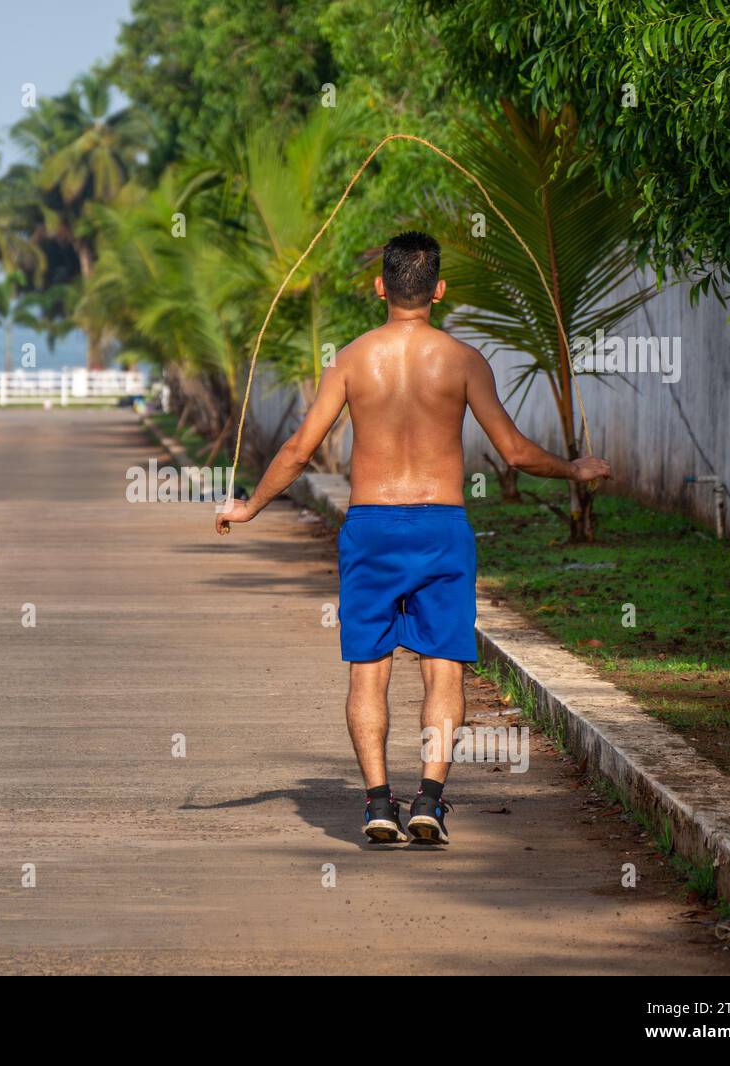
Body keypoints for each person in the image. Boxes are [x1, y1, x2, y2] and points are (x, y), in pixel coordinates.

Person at [215, 231, 611, 845]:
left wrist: (249, 508)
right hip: (441, 528)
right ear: (440, 291)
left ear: (381, 287)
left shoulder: (350, 360)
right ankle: (428, 800)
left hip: (371, 527)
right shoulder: (461, 361)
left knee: (367, 674)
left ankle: (377, 804)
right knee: (443, 671)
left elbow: (299, 449)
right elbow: (512, 450)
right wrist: (573, 468)